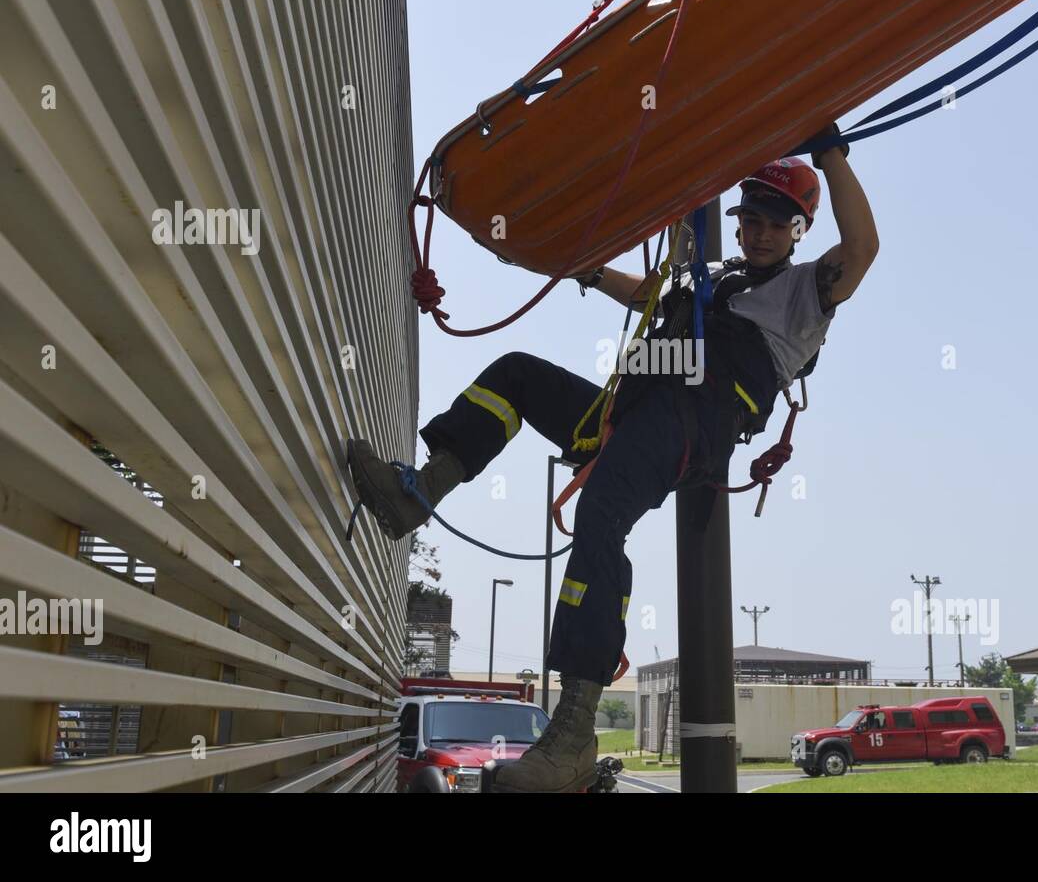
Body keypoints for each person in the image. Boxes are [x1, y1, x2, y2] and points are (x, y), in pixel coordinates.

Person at [345, 124, 880, 792]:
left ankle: (572, 730)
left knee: (603, 513)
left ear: (799, 229)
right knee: (516, 373)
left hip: (695, 421)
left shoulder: (806, 294)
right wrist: (588, 270)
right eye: (750, 219)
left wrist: (829, 154)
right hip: (630, 410)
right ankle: (418, 492)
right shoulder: (710, 273)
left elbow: (862, 247)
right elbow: (648, 295)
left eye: (777, 222)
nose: (759, 232)